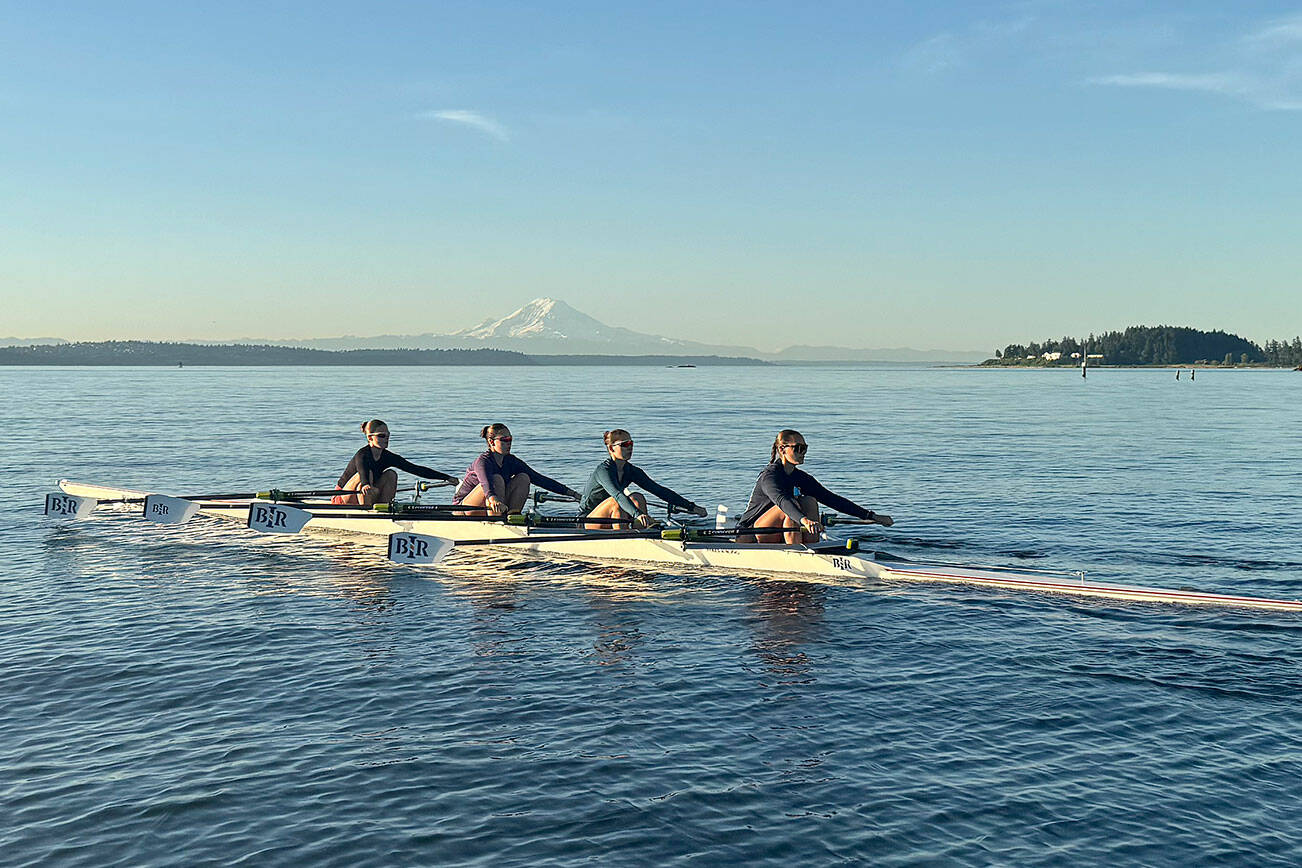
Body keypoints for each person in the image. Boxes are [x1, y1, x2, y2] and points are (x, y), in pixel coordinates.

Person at [737, 429, 893, 544]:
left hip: (777, 532)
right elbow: (782, 500)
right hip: (750, 534)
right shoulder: (769, 476)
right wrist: (804, 520)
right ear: (781, 450)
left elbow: (832, 500)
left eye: (804, 448)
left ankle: (812, 547)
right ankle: (797, 554)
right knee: (790, 508)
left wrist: (872, 516)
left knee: (810, 501)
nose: (803, 452)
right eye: (798, 448)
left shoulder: (801, 478)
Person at [578, 429, 708, 530]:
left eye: (631, 443)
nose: (630, 447)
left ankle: (642, 533)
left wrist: (691, 507)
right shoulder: (603, 471)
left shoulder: (631, 471)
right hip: (587, 521)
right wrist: (637, 514)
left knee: (638, 497)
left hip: (613, 517)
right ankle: (624, 539)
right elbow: (617, 495)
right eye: (625, 444)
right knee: (615, 502)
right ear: (611, 448)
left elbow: (659, 490)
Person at [453, 423, 579, 515]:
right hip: (463, 510)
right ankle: (496, 523)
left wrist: (573, 494)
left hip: (493, 504)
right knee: (496, 479)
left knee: (524, 477)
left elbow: (539, 479)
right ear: (491, 442)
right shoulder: (483, 461)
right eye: (505, 440)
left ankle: (513, 516)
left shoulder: (511, 461)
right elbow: (486, 485)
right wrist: (493, 499)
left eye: (510, 439)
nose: (509, 443)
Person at [335, 419, 457, 506]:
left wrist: (447, 477)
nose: (386, 438)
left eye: (388, 435)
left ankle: (383, 509)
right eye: (381, 436)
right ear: (370, 438)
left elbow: (416, 469)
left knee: (391, 474)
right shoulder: (362, 455)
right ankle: (366, 513)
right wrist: (366, 484)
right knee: (367, 476)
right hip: (343, 497)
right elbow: (363, 473)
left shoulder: (388, 457)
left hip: (369, 492)